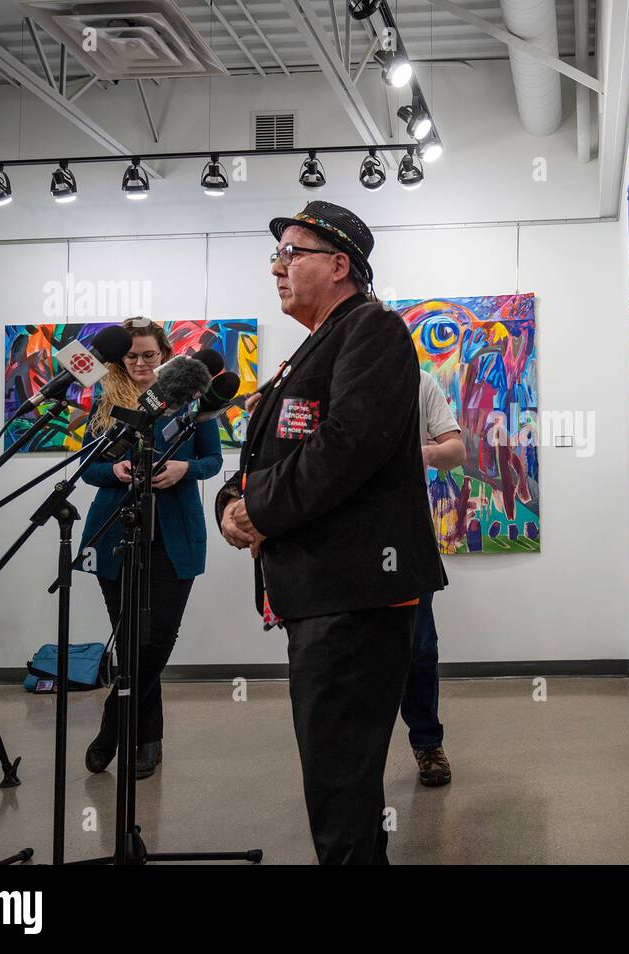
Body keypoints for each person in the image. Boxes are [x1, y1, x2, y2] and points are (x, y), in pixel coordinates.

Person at [216, 200, 445, 864]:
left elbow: (345, 446)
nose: (277, 268)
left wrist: (257, 509)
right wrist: (233, 501)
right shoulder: (314, 349)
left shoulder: (372, 330)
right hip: (325, 597)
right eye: (277, 256)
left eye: (292, 253)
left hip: (354, 598)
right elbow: (275, 458)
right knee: (340, 790)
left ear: (340, 264)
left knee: (341, 794)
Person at [78, 318, 223, 779]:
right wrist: (114, 470)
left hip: (174, 536)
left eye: (149, 355)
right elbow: (87, 466)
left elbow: (212, 460)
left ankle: (112, 727)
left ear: (164, 354)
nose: (140, 363)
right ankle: (147, 740)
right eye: (132, 356)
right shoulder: (106, 403)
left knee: (154, 640)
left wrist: (184, 468)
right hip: (116, 535)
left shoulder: (189, 401)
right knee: (132, 641)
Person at [402, 370, 465, 786]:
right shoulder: (329, 374)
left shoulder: (419, 382)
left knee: (419, 647)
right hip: (341, 543)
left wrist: (420, 453)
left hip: (407, 535)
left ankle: (427, 744)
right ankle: (353, 758)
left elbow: (456, 449)